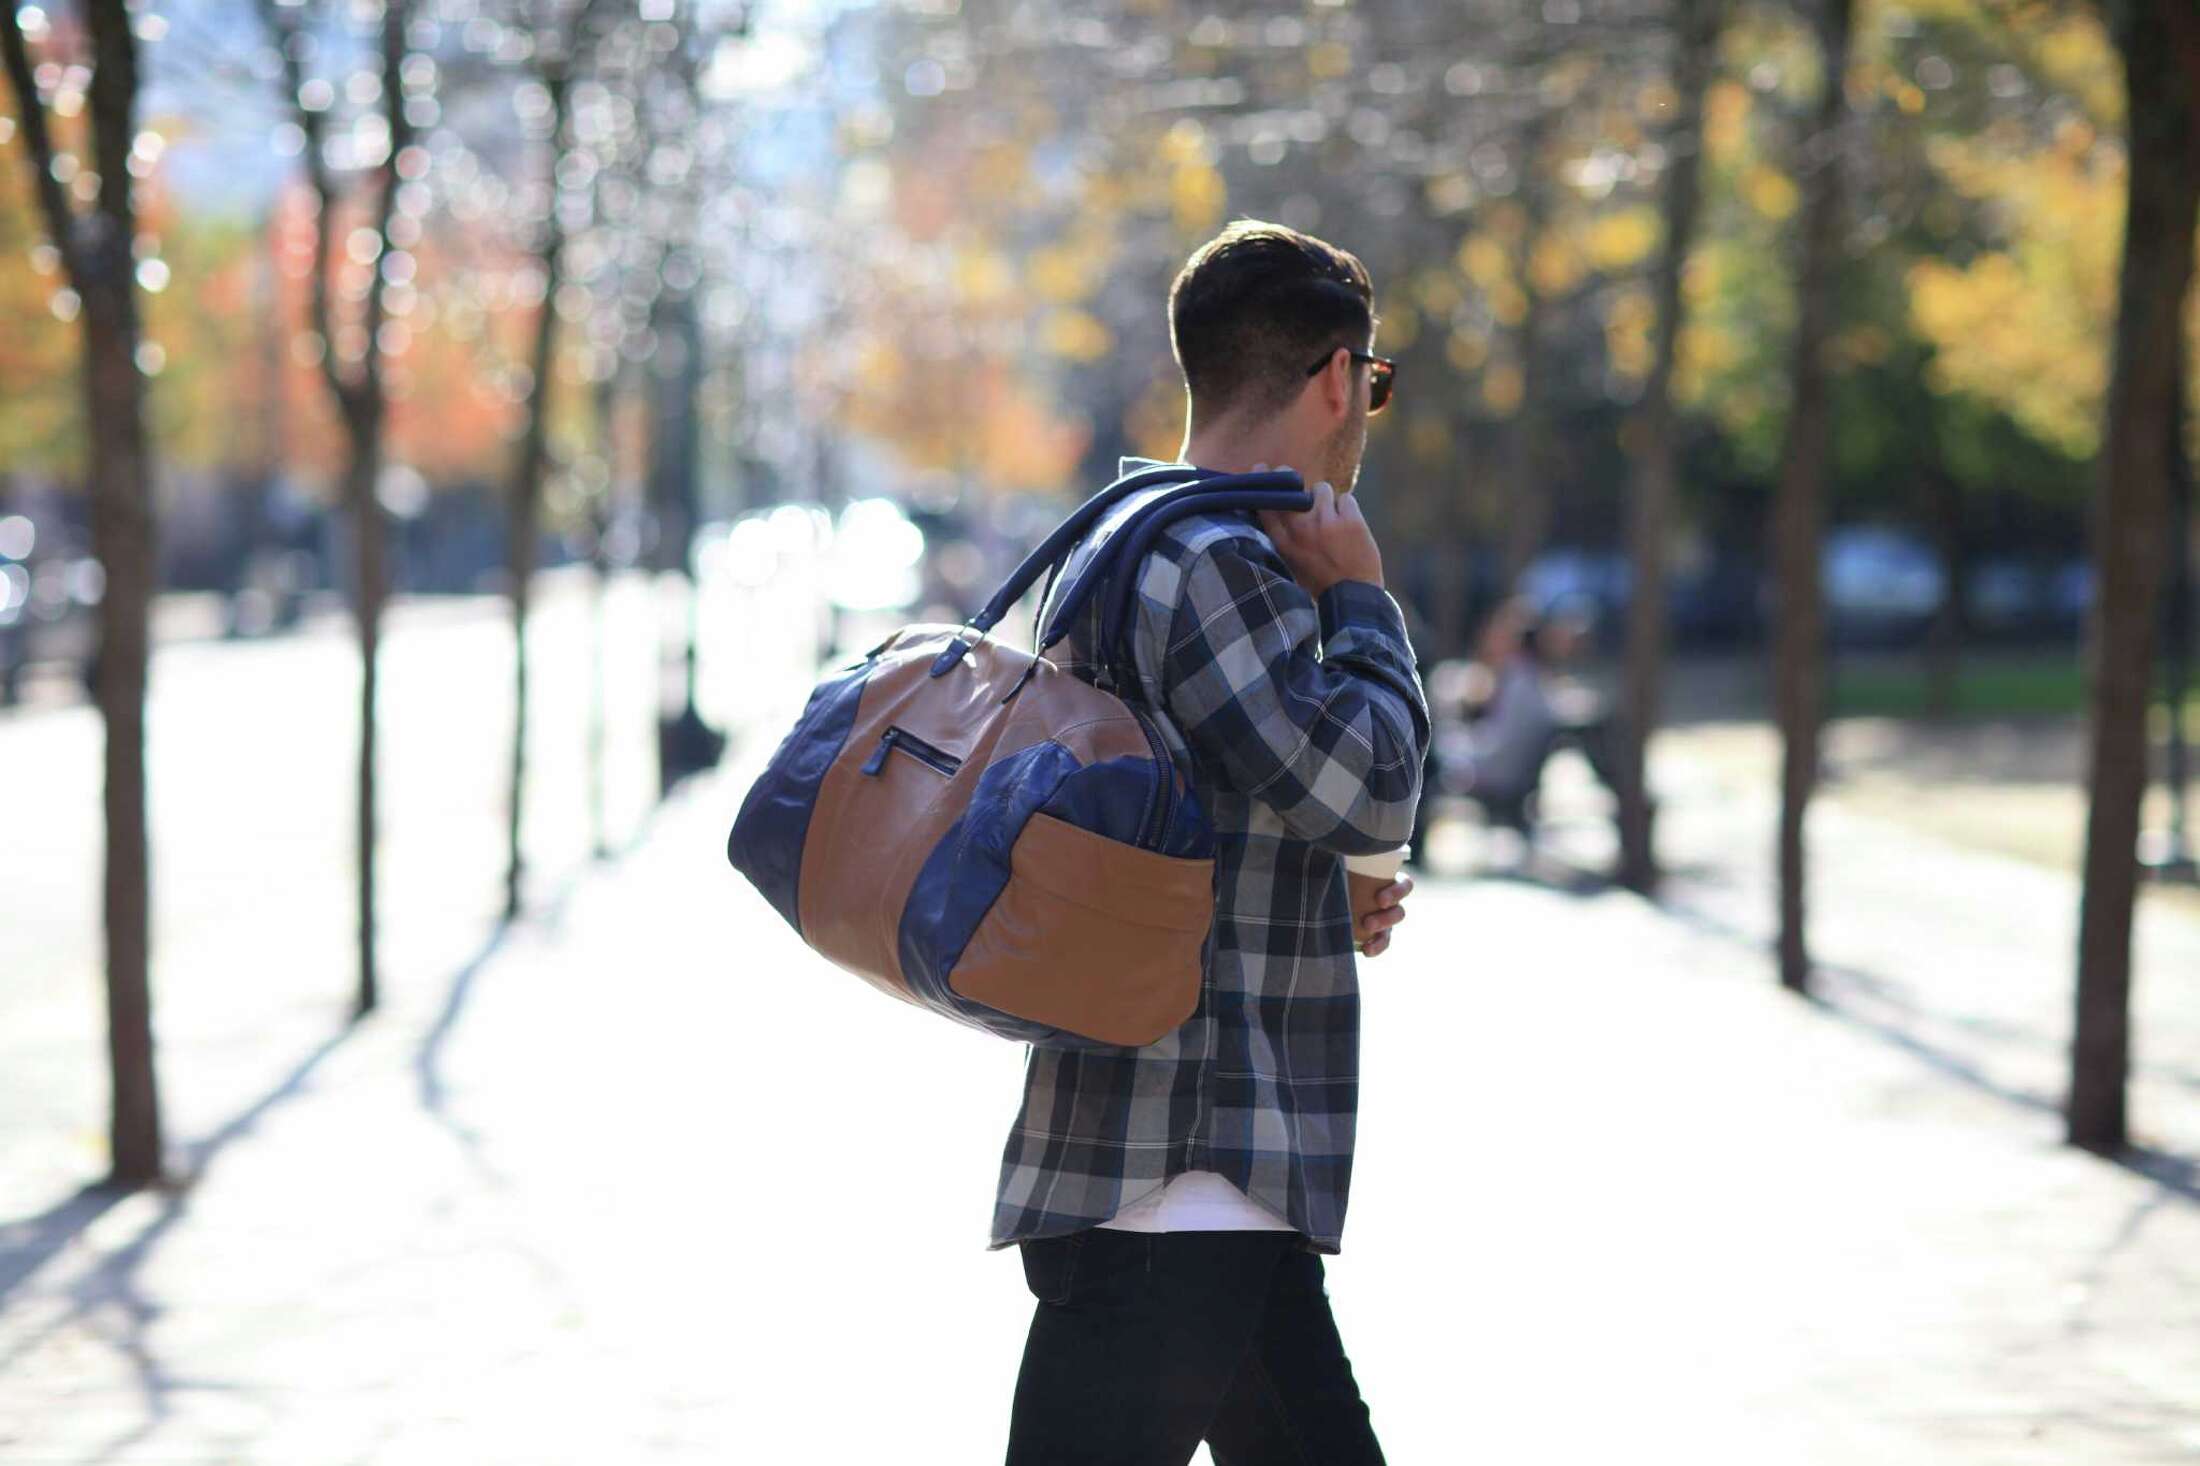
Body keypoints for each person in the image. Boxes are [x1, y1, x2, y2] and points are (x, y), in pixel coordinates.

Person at [999, 220, 1431, 1465]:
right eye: (1377, 386)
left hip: (1186, 1165)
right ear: (1337, 376)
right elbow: (1372, 786)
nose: (1369, 412)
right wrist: (1362, 597)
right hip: (1184, 1155)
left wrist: (1311, 880)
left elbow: (1177, 806)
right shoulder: (1213, 559)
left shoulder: (1117, 535)